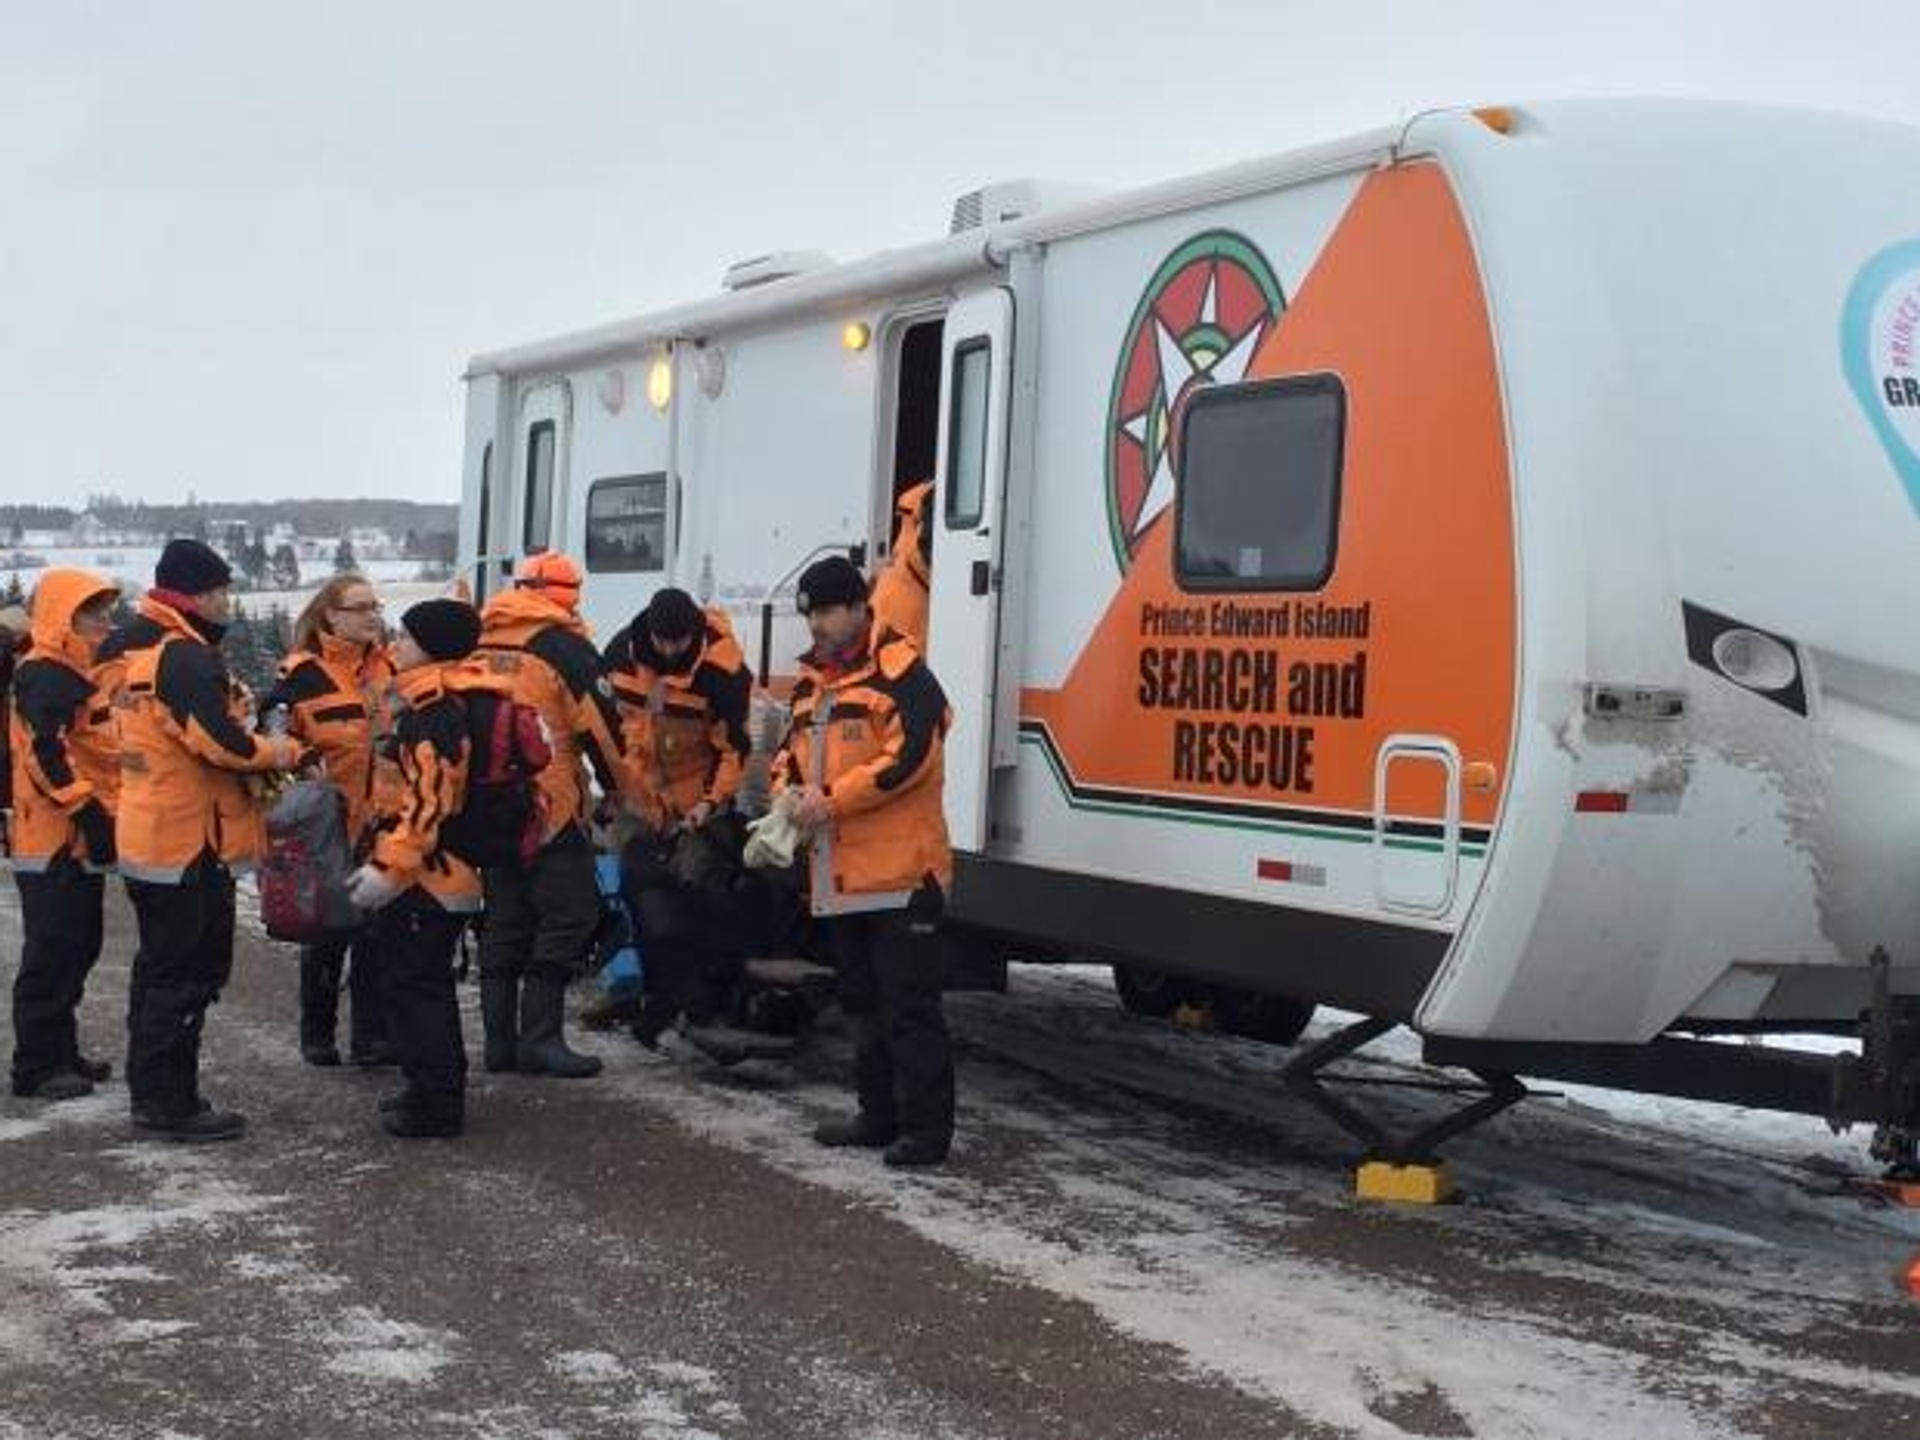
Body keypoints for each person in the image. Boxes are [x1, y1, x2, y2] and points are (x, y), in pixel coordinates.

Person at [111, 538, 301, 1141]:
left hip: (154, 836)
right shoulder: (184, 659)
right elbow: (224, 746)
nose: (228, 601)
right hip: (187, 844)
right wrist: (283, 751)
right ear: (198, 594)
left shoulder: (146, 651)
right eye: (222, 591)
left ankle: (151, 1087)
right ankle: (170, 1102)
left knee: (161, 969)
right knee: (186, 974)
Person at [771, 554, 956, 1167]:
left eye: (826, 611)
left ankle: (927, 1134)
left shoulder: (903, 672)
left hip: (904, 877)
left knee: (910, 1010)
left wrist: (830, 802)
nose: (817, 626)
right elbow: (786, 758)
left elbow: (913, 757)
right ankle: (877, 1116)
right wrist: (787, 795)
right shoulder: (812, 684)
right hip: (842, 878)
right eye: (811, 615)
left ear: (857, 607)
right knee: (861, 1004)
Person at [343, 599, 494, 1138]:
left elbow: (429, 804)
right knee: (417, 982)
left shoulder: (432, 711)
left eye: (405, 637)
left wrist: (388, 868)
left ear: (431, 645)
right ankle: (423, 1087)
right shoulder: (452, 697)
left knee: (418, 986)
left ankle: (434, 1102)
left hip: (430, 874)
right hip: (440, 868)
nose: (395, 646)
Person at [472, 550, 625, 1078]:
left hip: (486, 806)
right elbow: (605, 734)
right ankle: (541, 1037)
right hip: (547, 806)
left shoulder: (482, 639)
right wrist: (620, 793)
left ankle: (499, 1043)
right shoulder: (564, 647)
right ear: (566, 595)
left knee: (505, 921)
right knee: (568, 915)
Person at [601, 586, 753, 1043]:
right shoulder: (620, 655)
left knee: (701, 895)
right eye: (663, 641)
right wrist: (618, 789)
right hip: (641, 796)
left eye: (679, 642)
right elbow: (609, 732)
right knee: (644, 899)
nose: (670, 650)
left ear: (694, 635)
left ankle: (704, 1002)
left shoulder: (723, 673)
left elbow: (734, 751)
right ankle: (661, 998)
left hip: (696, 801)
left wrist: (710, 803)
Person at [262, 574, 396, 1068]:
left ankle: (372, 1038)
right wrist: (302, 754)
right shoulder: (301, 673)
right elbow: (271, 734)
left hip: (384, 820)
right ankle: (317, 1033)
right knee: (329, 931)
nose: (372, 615)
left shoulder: (392, 668)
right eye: (359, 607)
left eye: (375, 606)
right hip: (329, 824)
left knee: (378, 934)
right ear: (329, 616)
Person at [8, 570, 121, 1101]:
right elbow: (43, 754)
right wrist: (89, 813)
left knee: (78, 946)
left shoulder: (72, 670)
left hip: (70, 836)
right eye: (91, 611)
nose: (104, 620)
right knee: (53, 951)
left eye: (104, 609)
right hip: (51, 837)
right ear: (61, 615)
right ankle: (36, 1065)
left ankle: (59, 1051)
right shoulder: (46, 673)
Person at [868, 479, 932, 650]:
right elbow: (926, 552)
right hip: (906, 604)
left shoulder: (922, 494)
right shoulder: (936, 493)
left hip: (897, 591)